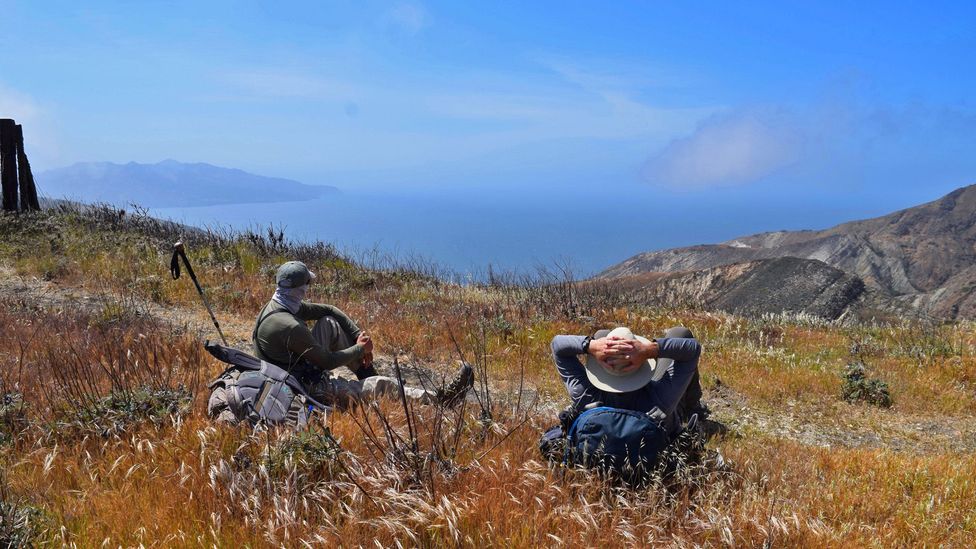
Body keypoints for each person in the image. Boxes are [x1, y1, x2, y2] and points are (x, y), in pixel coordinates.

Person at [253, 260, 473, 408]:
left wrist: (359, 336)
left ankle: (367, 373)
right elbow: (328, 361)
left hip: (291, 372)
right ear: (300, 289)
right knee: (382, 386)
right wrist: (360, 349)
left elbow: (330, 310)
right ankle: (441, 401)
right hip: (304, 388)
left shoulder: (278, 306)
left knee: (329, 323)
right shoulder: (291, 326)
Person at [550, 326, 706, 434]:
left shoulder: (585, 395)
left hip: (598, 417)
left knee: (601, 334)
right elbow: (692, 350)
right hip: (657, 418)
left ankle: (601, 342)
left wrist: (591, 345)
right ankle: (694, 407)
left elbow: (557, 345)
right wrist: (649, 350)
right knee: (679, 332)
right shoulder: (661, 397)